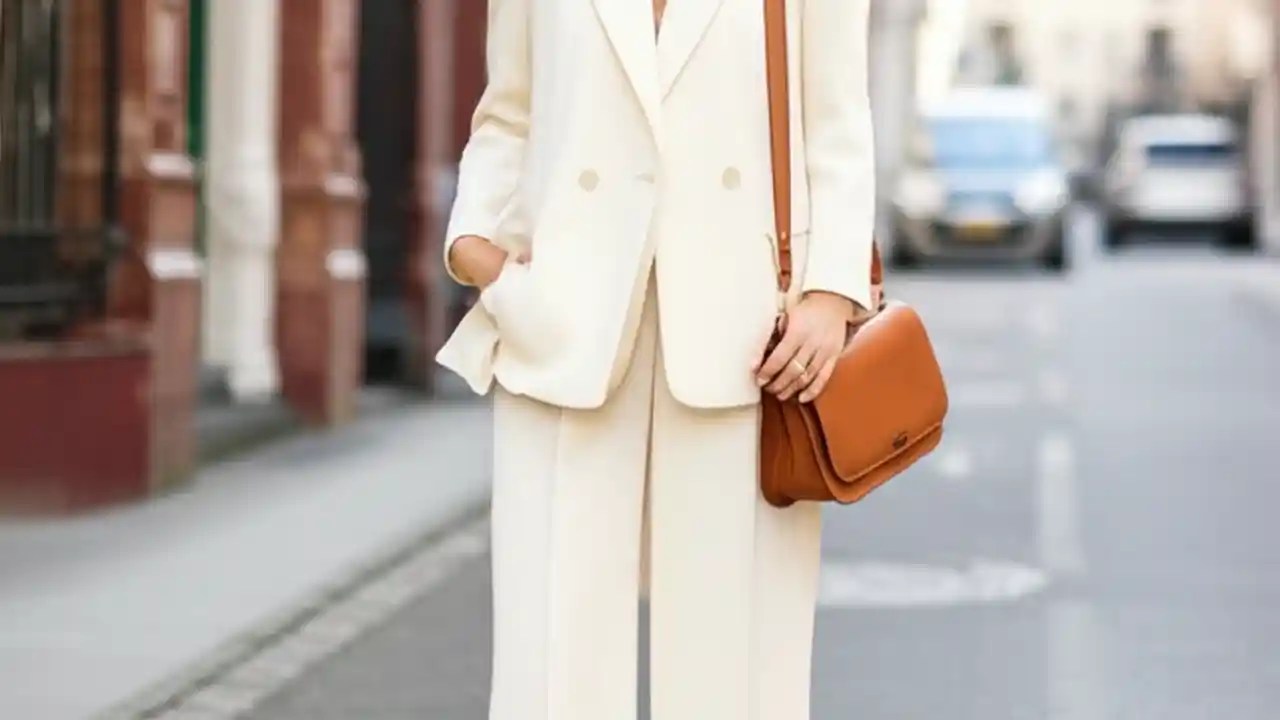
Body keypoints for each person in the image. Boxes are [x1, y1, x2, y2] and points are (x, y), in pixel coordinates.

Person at [436, 0, 876, 717]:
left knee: (734, 667)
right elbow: (507, 112)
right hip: (560, 320)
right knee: (551, 661)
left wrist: (831, 291)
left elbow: (838, 121)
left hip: (750, 340)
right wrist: (473, 244)